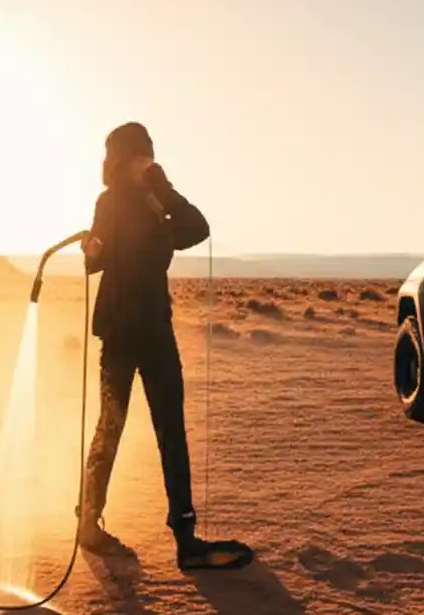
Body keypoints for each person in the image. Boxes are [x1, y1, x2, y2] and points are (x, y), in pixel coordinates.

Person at [78, 121, 254, 570]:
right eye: (138, 158)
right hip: (120, 334)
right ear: (121, 161)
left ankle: (186, 535)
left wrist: (163, 187)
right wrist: (93, 252)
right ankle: (88, 523)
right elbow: (97, 263)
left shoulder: (159, 206)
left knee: (171, 429)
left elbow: (198, 228)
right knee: (110, 425)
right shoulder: (110, 203)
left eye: (149, 158)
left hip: (156, 330)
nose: (146, 164)